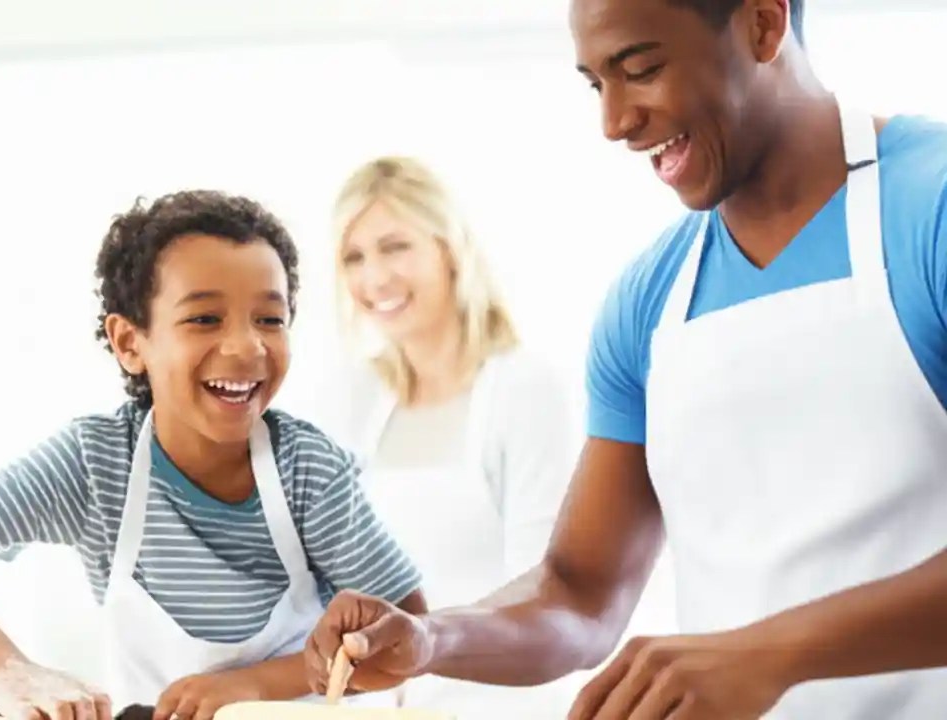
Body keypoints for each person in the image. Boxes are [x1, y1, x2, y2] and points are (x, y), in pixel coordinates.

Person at [302, 1, 947, 718]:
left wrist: (771, 654)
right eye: (596, 85)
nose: (614, 122)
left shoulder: (931, 209)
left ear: (763, 25)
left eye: (641, 70)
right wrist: (431, 637)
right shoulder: (649, 301)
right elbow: (578, 593)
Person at [0, 190, 427, 720]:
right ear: (129, 342)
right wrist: (5, 668)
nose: (246, 347)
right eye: (205, 319)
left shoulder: (307, 469)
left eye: (269, 319)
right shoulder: (96, 465)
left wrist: (248, 685)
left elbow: (408, 635)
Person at [318, 156, 577, 717]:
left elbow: (543, 589)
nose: (375, 277)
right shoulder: (352, 398)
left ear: (450, 248)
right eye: (354, 257)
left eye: (395, 247)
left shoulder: (523, 389)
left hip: (502, 703)